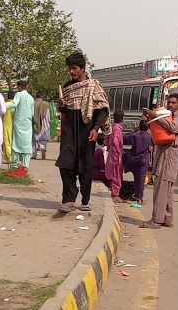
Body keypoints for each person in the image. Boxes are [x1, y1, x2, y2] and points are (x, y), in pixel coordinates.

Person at [56, 52, 110, 213]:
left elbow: (102, 110)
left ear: (82, 68)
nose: (71, 72)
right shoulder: (67, 87)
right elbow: (65, 109)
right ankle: (69, 198)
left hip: (87, 129)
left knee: (85, 166)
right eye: (69, 69)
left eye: (74, 68)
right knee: (64, 164)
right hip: (70, 130)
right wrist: (62, 105)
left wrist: (95, 129)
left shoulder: (93, 86)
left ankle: (85, 200)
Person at [143, 93, 178, 229]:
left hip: (169, 156)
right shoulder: (169, 115)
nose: (170, 105)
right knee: (166, 190)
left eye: (173, 103)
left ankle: (156, 220)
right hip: (164, 154)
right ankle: (167, 218)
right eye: (169, 102)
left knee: (161, 189)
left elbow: (172, 128)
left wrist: (156, 116)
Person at [7, 81, 35, 177]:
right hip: (27, 123)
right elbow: (32, 113)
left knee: (15, 145)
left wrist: (2, 105)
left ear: (19, 87)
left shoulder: (19, 94)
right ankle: (25, 167)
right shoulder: (31, 98)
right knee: (27, 145)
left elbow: (14, 104)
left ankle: (15, 166)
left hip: (19, 123)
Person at [122, 119, 152, 204]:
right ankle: (139, 197)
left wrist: (134, 131)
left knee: (136, 178)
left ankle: (137, 195)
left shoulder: (134, 136)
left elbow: (125, 138)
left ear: (139, 127)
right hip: (144, 160)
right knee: (141, 179)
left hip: (135, 159)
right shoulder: (149, 137)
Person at [105, 110, 125, 202]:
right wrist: (119, 154)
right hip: (116, 153)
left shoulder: (112, 127)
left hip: (112, 152)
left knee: (114, 173)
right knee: (117, 173)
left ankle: (114, 192)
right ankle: (115, 194)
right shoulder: (117, 129)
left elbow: (107, 139)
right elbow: (115, 142)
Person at [34, 93, 52, 161]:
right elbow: (48, 114)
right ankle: (43, 147)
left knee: (35, 138)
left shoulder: (33, 103)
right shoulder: (46, 104)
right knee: (44, 137)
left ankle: (34, 153)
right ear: (42, 97)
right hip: (45, 122)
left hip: (36, 123)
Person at [2, 91, 16, 168]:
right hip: (13, 125)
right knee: (12, 141)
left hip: (5, 125)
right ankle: (12, 157)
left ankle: (7, 158)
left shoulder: (5, 105)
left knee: (6, 141)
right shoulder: (15, 105)